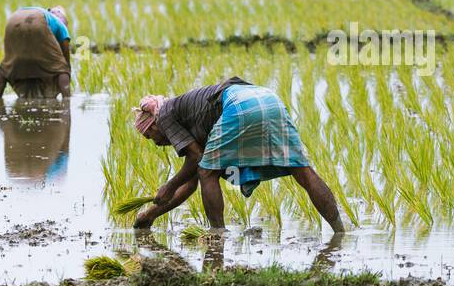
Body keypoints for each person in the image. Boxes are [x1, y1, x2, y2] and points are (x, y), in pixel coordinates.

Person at [129, 76, 345, 233]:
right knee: (303, 172)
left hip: (238, 103)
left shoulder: (166, 115)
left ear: (155, 124)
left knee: (207, 172)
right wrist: (150, 215)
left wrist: (169, 185)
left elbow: (198, 163)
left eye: (150, 136)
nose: (156, 143)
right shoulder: (190, 118)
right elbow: (191, 183)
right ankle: (340, 232)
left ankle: (218, 236)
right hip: (269, 98)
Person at [0, 6, 71, 99]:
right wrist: (66, 70)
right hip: (37, 21)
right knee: (62, 67)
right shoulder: (60, 24)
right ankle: (67, 99)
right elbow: (65, 56)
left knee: (7, 65)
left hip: (12, 21)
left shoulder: (45, 15)